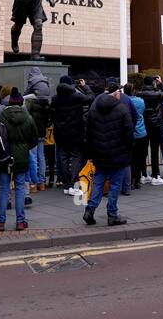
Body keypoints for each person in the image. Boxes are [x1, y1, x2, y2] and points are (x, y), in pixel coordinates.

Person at [81, 79, 132, 227]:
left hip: (99, 153)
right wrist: (128, 149)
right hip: (118, 153)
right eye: (119, 92)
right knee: (115, 184)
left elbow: (88, 132)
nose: (120, 94)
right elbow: (129, 133)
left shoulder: (94, 108)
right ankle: (112, 214)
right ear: (115, 93)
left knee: (98, 182)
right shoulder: (122, 109)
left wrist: (91, 151)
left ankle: (89, 209)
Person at [0, 90, 36, 231]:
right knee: (20, 189)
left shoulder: (0, 116)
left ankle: (1, 222)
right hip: (21, 156)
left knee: (4, 189)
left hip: (3, 156)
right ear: (21, 102)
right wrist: (24, 147)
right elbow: (34, 139)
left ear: (9, 103)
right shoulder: (28, 117)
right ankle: (20, 221)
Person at [52, 75, 89, 196]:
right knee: (75, 157)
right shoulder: (76, 96)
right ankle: (74, 184)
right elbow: (91, 98)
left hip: (60, 133)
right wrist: (85, 87)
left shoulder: (55, 99)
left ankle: (67, 184)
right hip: (75, 132)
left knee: (63, 157)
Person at [136, 75, 163, 184]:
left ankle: (143, 174)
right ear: (153, 82)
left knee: (143, 150)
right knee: (154, 150)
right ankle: (155, 175)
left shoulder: (139, 94)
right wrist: (162, 83)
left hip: (144, 124)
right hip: (156, 124)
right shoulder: (157, 94)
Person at [25, 69, 53, 192]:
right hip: (42, 131)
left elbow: (26, 91)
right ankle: (42, 183)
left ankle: (33, 183)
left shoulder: (30, 101)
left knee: (33, 157)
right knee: (42, 157)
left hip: (33, 133)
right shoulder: (45, 81)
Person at [122, 83, 147, 191]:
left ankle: (130, 180)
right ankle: (137, 179)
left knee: (130, 157)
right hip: (141, 132)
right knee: (140, 157)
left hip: (129, 133)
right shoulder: (140, 101)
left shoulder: (124, 102)